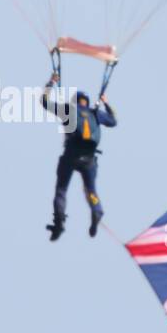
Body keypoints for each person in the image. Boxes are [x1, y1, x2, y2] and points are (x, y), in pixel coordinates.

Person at [40, 73, 117, 240]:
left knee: (61, 189)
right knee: (90, 189)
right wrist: (106, 102)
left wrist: (51, 83)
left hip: (71, 154)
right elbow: (113, 121)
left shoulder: (68, 109)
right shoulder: (95, 113)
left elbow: (44, 102)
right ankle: (96, 210)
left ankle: (59, 221)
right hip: (89, 157)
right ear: (87, 102)